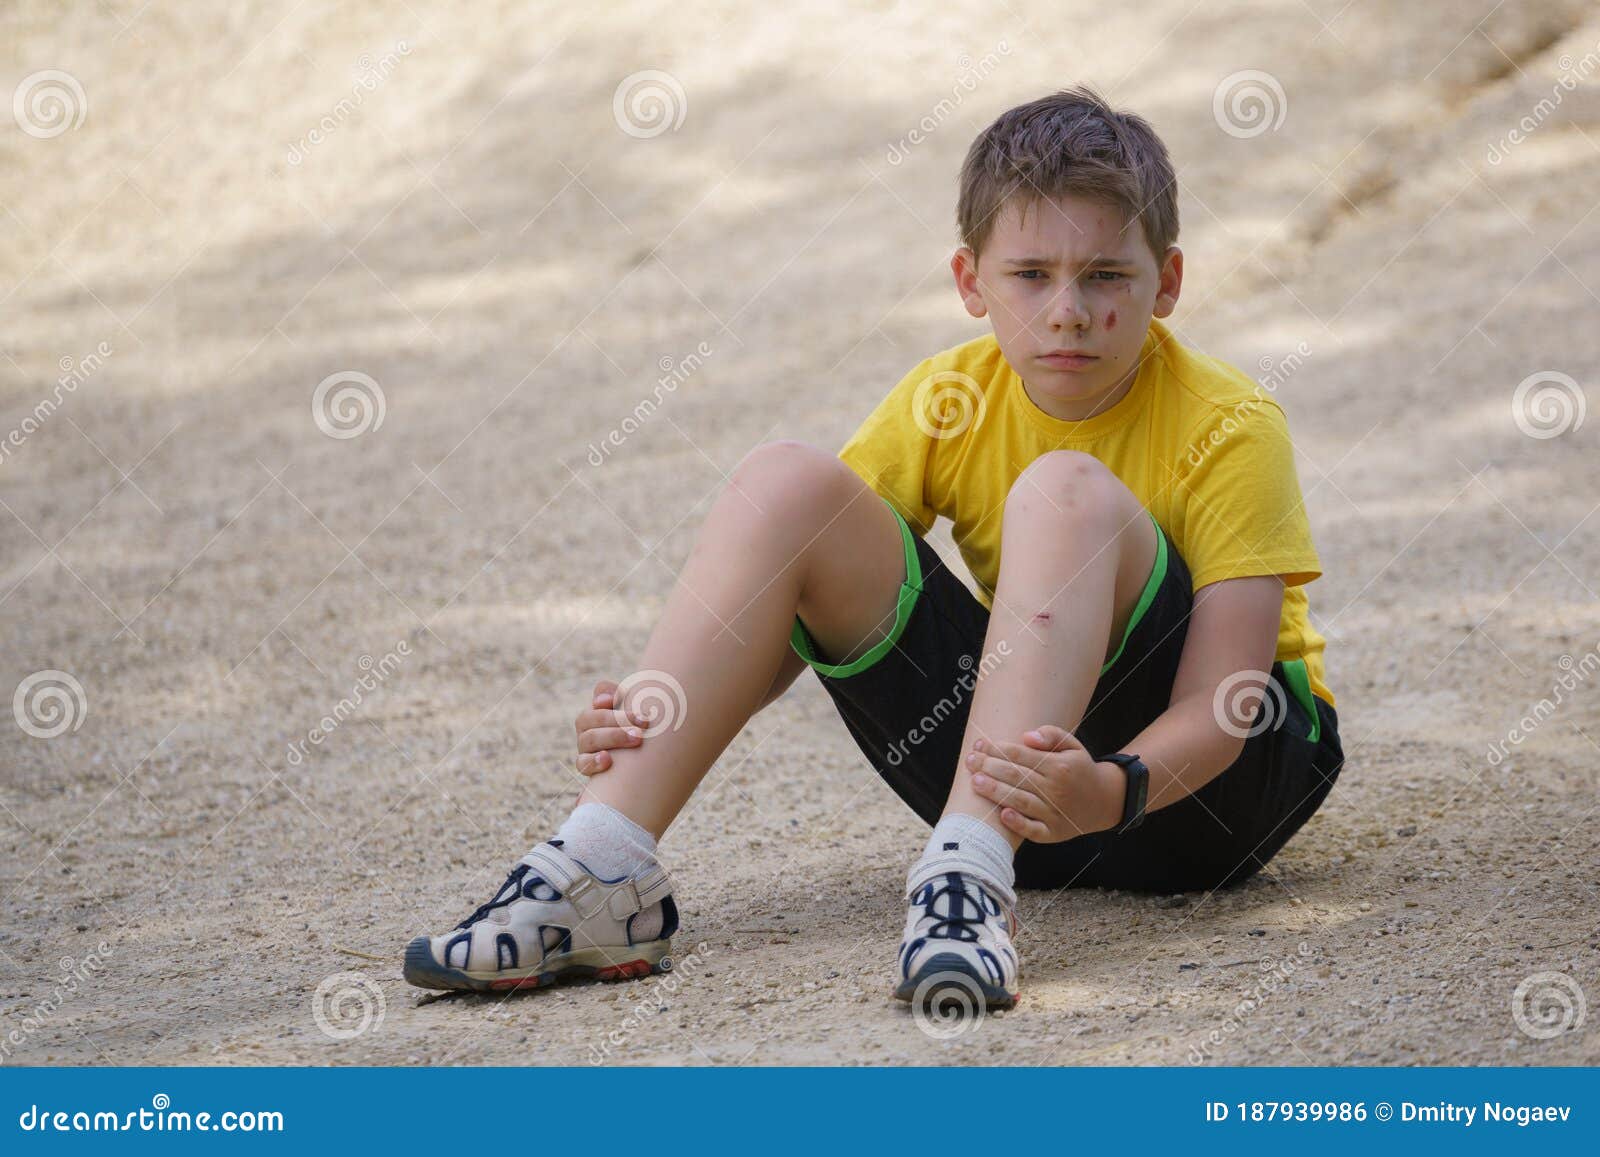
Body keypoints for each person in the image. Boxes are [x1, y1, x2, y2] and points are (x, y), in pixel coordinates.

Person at [404, 85, 1344, 1010]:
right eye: (1030, 275)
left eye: (1106, 276)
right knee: (787, 483)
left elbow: (1231, 700)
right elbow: (800, 586)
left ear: (1167, 283)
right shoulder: (949, 399)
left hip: (1204, 793)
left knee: (1063, 492)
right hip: (1029, 788)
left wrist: (1110, 787)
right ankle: (602, 861)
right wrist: (662, 712)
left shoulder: (1230, 422)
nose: (1067, 310)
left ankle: (968, 880)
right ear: (971, 282)